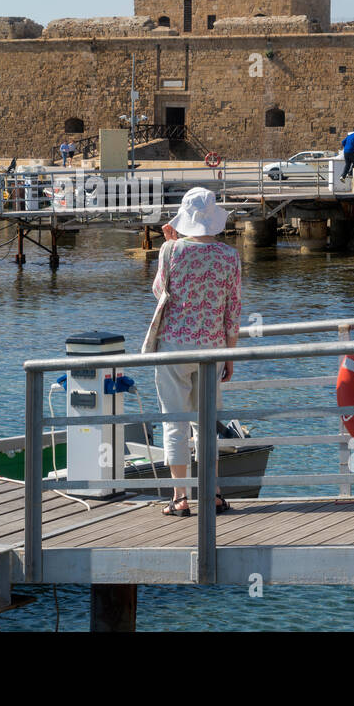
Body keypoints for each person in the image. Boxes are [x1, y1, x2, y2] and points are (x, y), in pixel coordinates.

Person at [149, 187, 242, 518]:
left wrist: (171, 241)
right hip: (211, 350)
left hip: (173, 349)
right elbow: (233, 312)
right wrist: (229, 356)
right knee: (206, 424)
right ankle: (213, 494)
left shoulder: (170, 250)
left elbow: (160, 290)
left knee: (175, 423)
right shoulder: (230, 257)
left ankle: (180, 498)